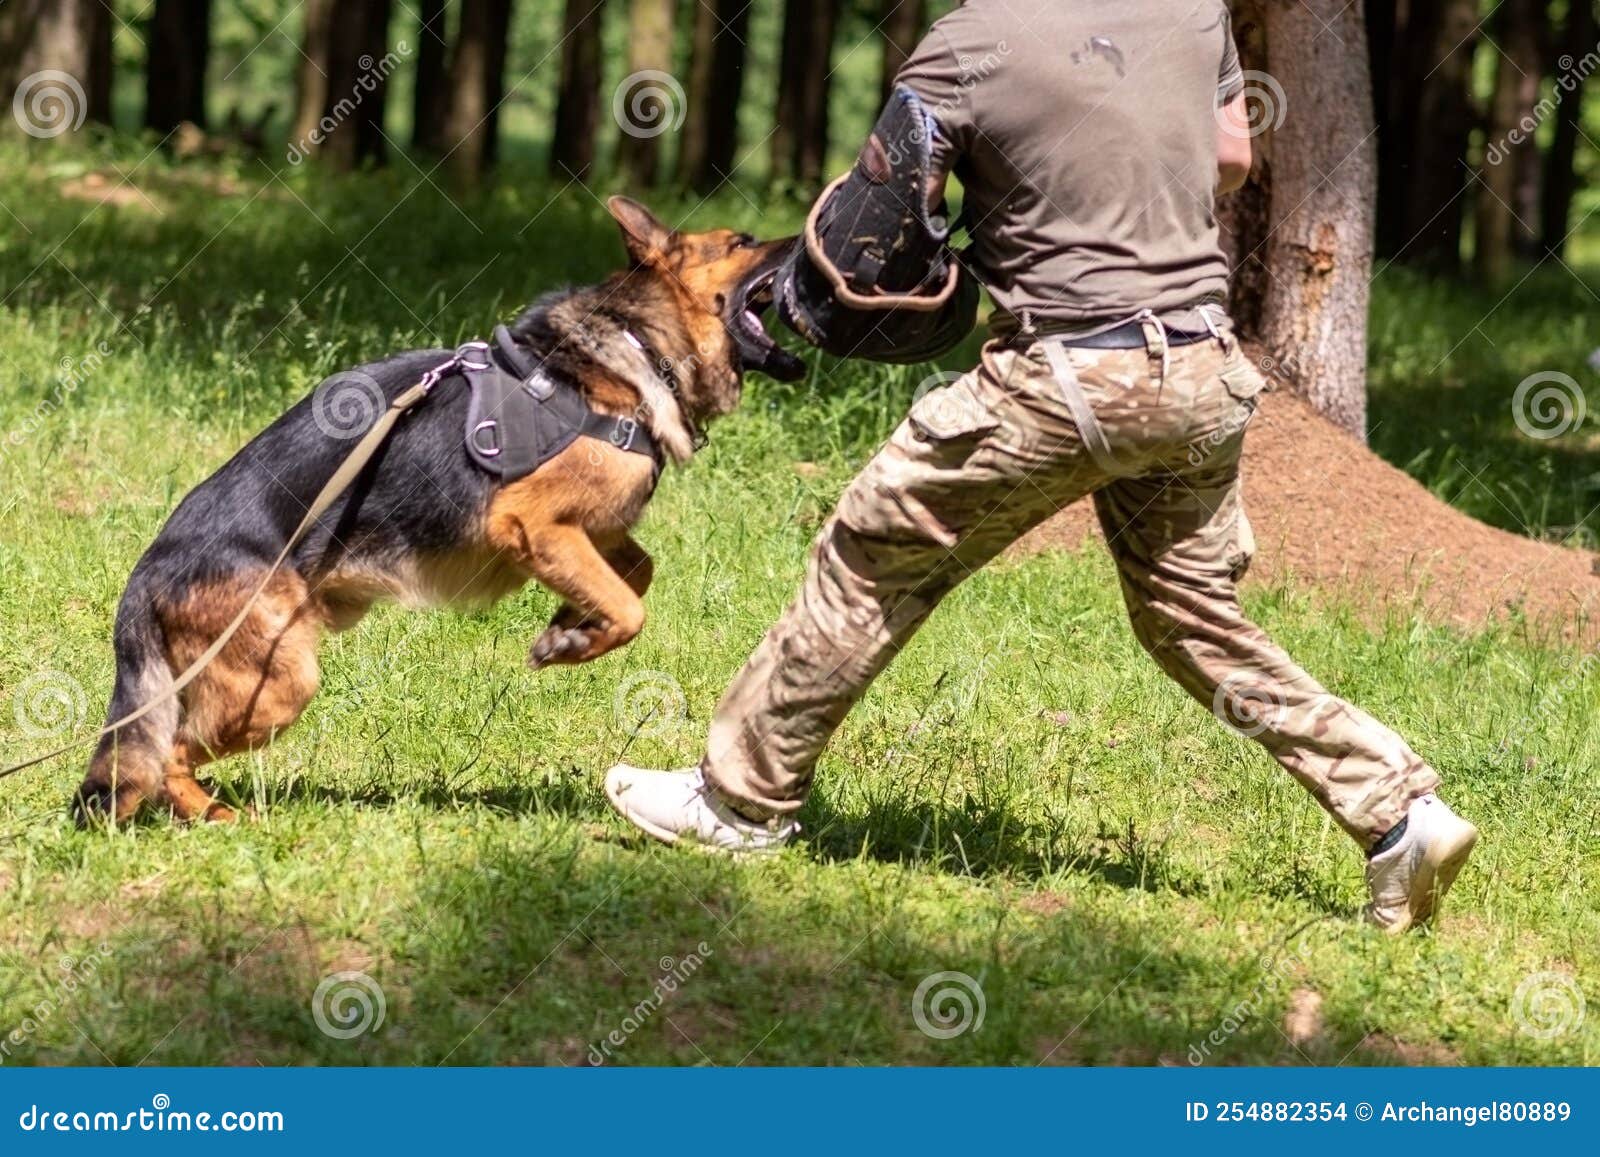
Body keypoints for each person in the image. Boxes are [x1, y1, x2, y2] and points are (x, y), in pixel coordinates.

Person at [605, 0, 1477, 934]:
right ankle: (1398, 812)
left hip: (1066, 374)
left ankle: (739, 803)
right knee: (1193, 617)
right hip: (1201, 366)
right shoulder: (1192, 10)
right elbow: (1231, 161)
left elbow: (881, 227)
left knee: (872, 548)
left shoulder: (966, 44)